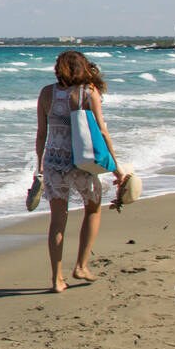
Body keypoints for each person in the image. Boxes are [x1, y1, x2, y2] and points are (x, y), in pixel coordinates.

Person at [35, 50, 122, 292]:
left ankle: (56, 280)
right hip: (82, 160)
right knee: (93, 209)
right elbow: (102, 131)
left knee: (57, 220)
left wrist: (39, 164)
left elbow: (41, 132)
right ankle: (81, 266)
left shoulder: (46, 93)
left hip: (53, 160)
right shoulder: (87, 92)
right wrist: (116, 167)